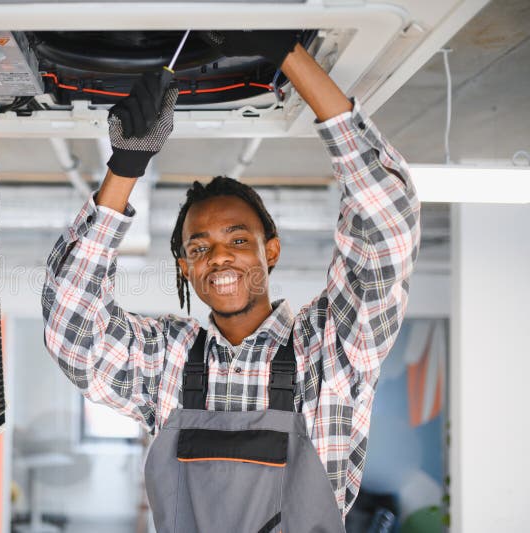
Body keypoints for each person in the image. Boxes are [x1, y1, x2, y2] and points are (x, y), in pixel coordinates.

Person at [42, 31, 420, 532]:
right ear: (185, 267)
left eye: (238, 240)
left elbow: (387, 224)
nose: (218, 257)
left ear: (272, 250)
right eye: (198, 248)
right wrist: (125, 166)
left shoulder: (329, 353)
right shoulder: (168, 363)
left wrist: (287, 54)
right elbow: (73, 333)